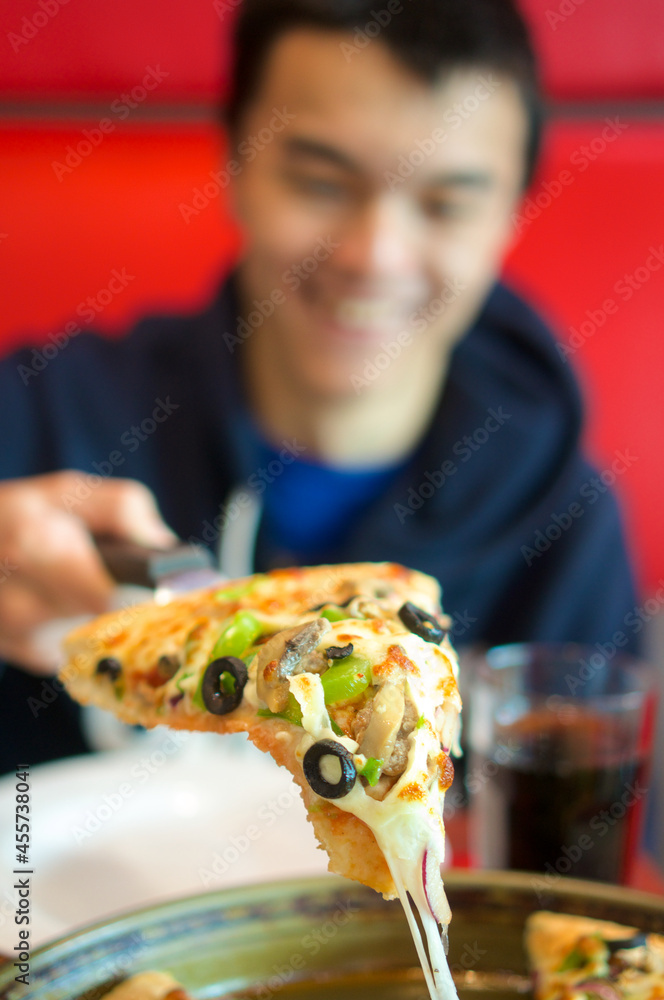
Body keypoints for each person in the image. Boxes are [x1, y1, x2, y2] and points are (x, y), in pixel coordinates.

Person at [0, 0, 638, 773]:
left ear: (511, 215)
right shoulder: (39, 418)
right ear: (236, 164)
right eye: (320, 182)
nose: (375, 256)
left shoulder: (563, 523)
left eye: (446, 204)